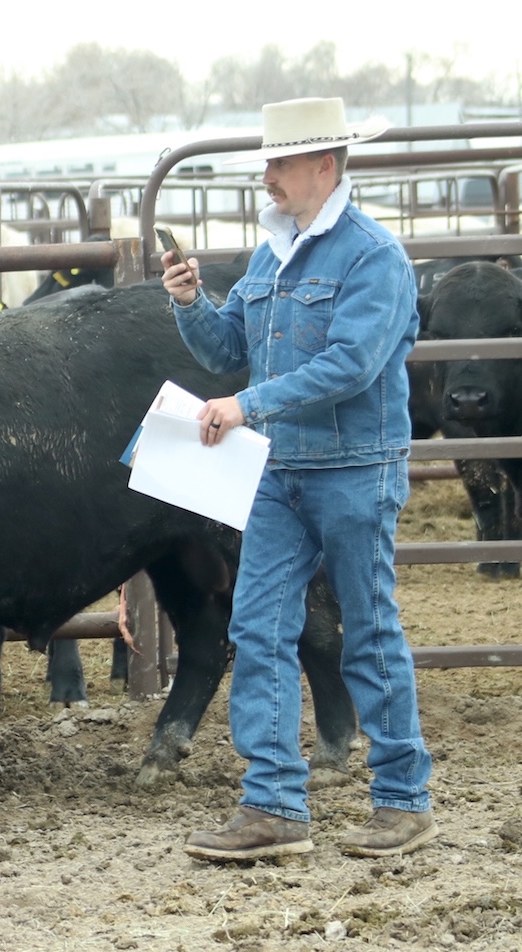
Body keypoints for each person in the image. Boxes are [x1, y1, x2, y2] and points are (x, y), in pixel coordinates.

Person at [160, 97, 436, 862]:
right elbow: (224, 348)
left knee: (368, 627)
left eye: (279, 164)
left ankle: (403, 796)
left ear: (325, 165)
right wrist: (189, 303)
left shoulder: (373, 258)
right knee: (257, 625)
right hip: (283, 469)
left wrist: (248, 405)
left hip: (352, 467)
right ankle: (274, 801)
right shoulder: (270, 255)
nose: (267, 177)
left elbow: (351, 365)